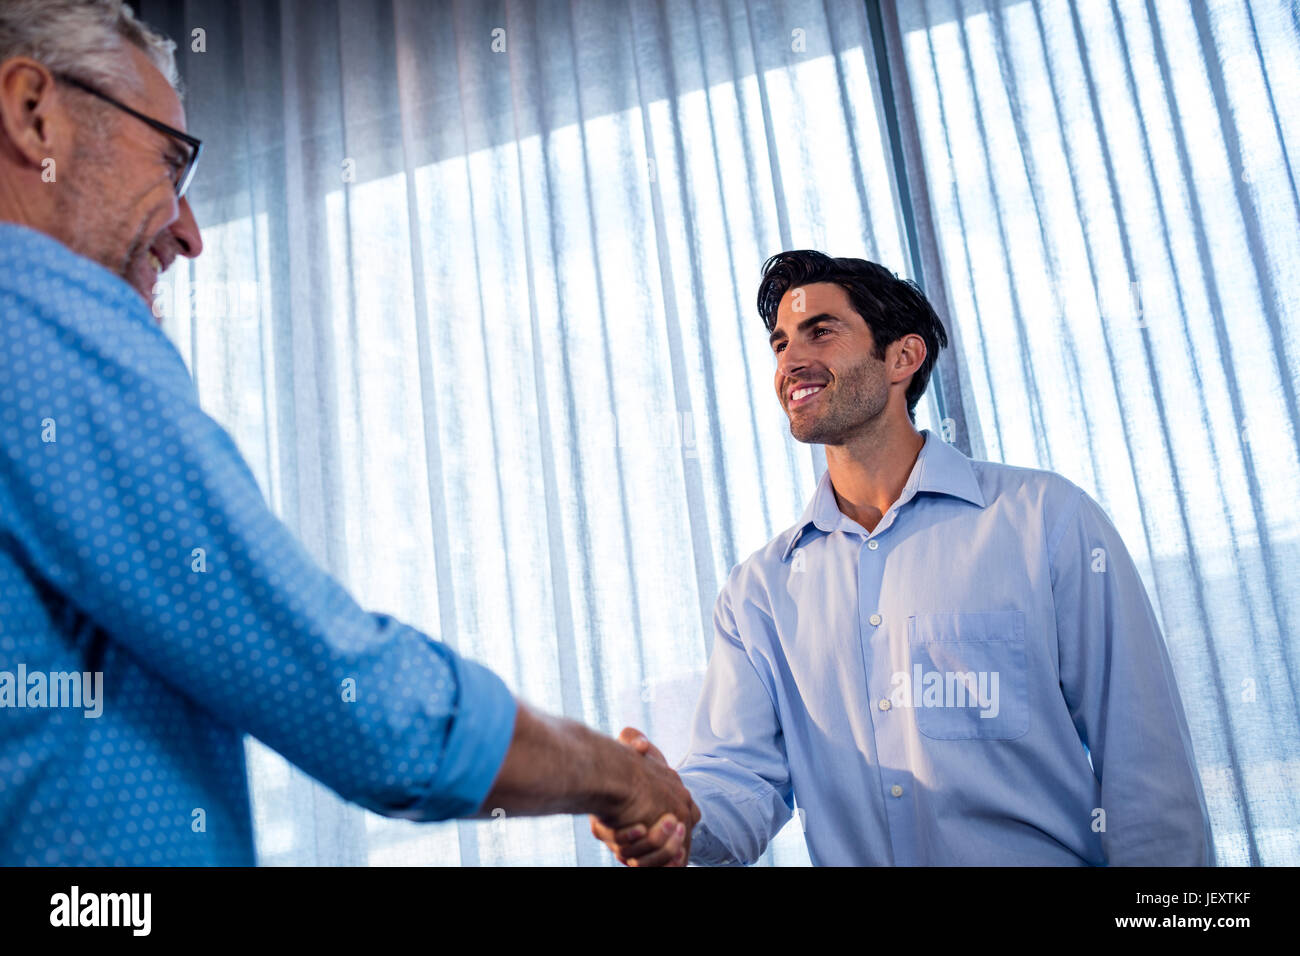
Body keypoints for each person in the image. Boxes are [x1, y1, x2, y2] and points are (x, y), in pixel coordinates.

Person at [0, 0, 694, 866]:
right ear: (33, 113)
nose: (189, 231)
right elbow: (359, 702)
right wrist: (618, 776)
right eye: (171, 163)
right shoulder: (41, 310)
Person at [593, 250, 1215, 866]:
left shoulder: (1046, 519)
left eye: (821, 331)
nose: (791, 360)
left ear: (902, 357)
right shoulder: (758, 593)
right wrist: (667, 812)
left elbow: (1144, 764)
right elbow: (739, 783)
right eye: (780, 344)